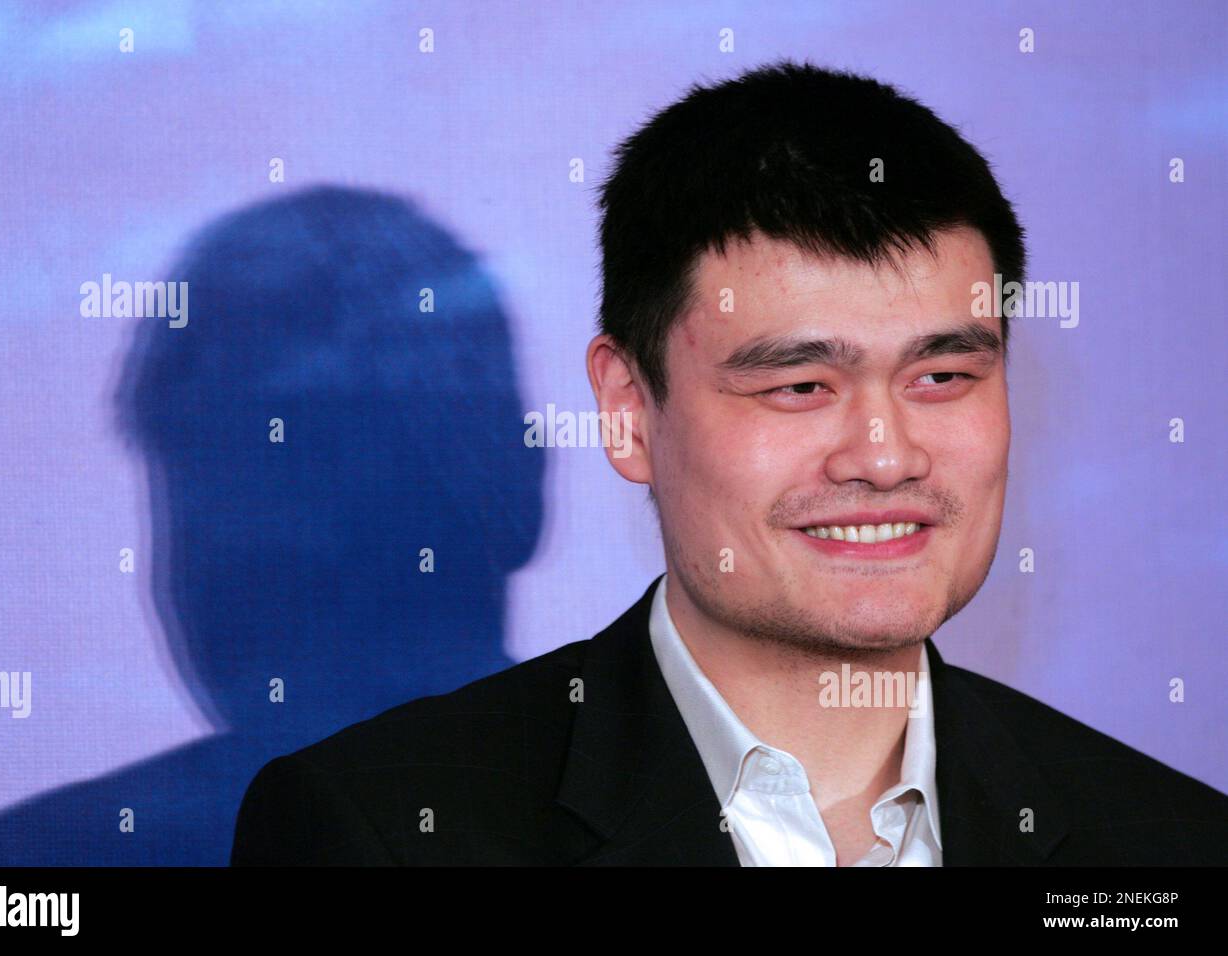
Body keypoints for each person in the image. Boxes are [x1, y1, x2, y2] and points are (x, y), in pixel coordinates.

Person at [230, 60, 1228, 866]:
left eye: (942, 375)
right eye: (799, 385)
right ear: (627, 412)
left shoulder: (1166, 839)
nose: (884, 456)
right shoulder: (381, 829)